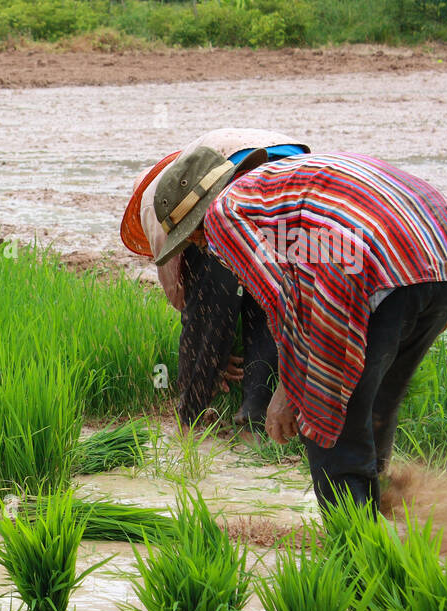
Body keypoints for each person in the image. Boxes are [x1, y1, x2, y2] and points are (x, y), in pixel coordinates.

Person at [151, 147, 447, 510]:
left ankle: (353, 548)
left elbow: (283, 298)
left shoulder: (224, 213)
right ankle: (384, 521)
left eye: (191, 236)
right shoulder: (275, 185)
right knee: (373, 402)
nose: (200, 244)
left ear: (199, 217)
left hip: (381, 264)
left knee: (326, 410)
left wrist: (290, 390)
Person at [121, 129, 309, 427]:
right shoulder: (189, 163)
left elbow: (180, 293)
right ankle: (253, 416)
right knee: (267, 297)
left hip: (235, 182)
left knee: (207, 305)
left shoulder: (158, 204)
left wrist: (211, 352)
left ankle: (191, 415)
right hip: (288, 177)